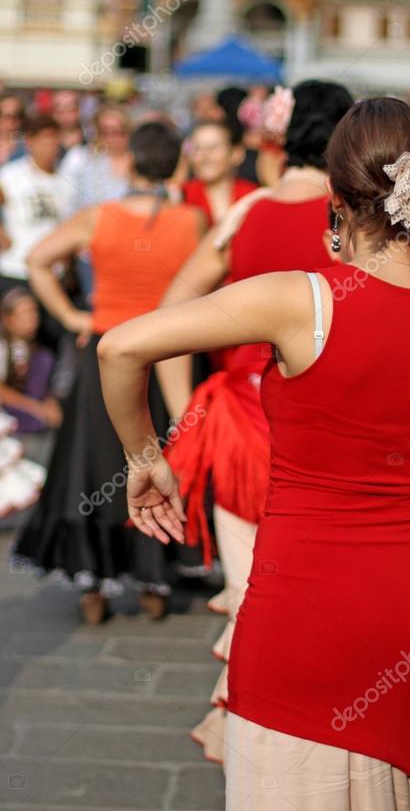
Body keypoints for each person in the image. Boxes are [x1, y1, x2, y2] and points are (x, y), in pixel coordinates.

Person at [98, 97, 410, 810]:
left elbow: (120, 345)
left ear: (335, 192)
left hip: (301, 600)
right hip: (408, 602)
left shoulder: (302, 300)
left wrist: (146, 456)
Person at [157, 79, 353, 761]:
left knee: (252, 591)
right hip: (327, 427)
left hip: (240, 416)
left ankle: (255, 739)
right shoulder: (353, 214)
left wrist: (187, 414)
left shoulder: (249, 211)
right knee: (315, 594)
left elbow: (171, 308)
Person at [14, 121, 207, 625]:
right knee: (157, 463)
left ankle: (94, 589)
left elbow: (36, 260)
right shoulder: (192, 221)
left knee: (93, 469)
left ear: (130, 163)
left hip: (107, 352)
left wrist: (73, 317)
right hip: (165, 352)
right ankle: (154, 580)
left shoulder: (99, 217)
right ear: (175, 166)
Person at [0, 115, 68, 296]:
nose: (50, 146)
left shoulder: (65, 178)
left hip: (54, 273)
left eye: (54, 139)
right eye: (45, 140)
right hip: (17, 269)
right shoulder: (10, 175)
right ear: (30, 141)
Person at [0, 287, 61, 466]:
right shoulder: (4, 349)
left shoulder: (43, 354)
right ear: (9, 319)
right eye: (26, 313)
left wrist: (51, 404)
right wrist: (35, 407)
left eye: (34, 312)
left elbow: (45, 388)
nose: (33, 318)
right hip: (13, 428)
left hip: (39, 428)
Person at [182, 118, 257, 225]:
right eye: (197, 148)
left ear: (236, 154)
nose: (204, 156)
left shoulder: (253, 197)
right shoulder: (182, 196)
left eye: (213, 147)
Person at [60, 103, 131, 214]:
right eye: (106, 132)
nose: (112, 138)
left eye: (118, 132)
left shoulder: (140, 163)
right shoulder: (86, 162)